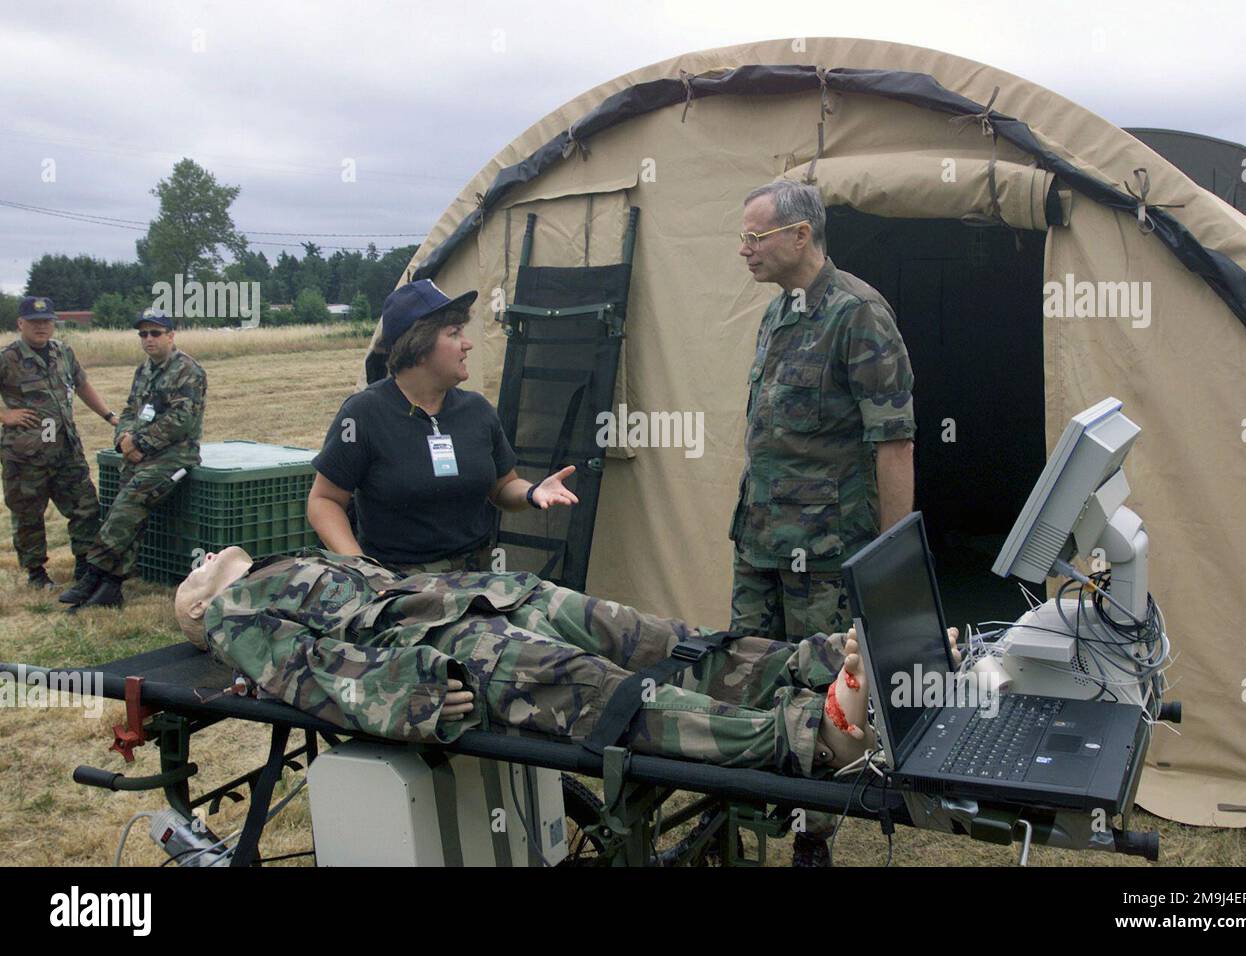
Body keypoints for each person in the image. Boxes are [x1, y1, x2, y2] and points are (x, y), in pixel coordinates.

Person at [170, 546, 964, 777]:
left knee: (665, 641)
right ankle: (816, 736)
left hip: (500, 599)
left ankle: (823, 661)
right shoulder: (237, 615)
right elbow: (304, 671)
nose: (203, 557)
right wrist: (409, 695)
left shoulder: (290, 561)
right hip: (454, 652)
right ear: (199, 608)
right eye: (194, 570)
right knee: (610, 697)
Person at [729, 180, 917, 865]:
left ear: (800, 236)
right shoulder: (778, 313)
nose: (743, 249)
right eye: (743, 236)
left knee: (820, 689)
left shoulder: (858, 315)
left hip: (825, 548)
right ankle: (748, 803)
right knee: (746, 671)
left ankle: (814, 833)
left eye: (756, 236)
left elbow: (894, 442)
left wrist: (892, 558)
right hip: (758, 539)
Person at [309, 280, 577, 575]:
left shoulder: (476, 410)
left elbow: (502, 487)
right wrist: (362, 568)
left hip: (479, 578)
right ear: (419, 347)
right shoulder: (364, 414)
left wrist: (533, 492)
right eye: (454, 333)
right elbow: (324, 501)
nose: (468, 343)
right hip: (403, 585)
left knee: (589, 617)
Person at [60, 310, 207, 611]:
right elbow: (130, 410)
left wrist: (138, 442)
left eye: (155, 333)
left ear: (170, 335)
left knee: (128, 504)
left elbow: (181, 420)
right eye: (143, 334)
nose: (149, 339)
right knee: (130, 514)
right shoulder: (144, 370)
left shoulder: (188, 370)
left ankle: (94, 573)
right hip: (141, 454)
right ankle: (111, 587)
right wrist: (123, 439)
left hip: (175, 455)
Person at [1, 296, 116, 590]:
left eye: (47, 322)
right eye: (35, 322)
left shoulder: (63, 352)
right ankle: (36, 573)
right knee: (29, 515)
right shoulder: (8, 358)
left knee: (86, 508)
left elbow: (81, 385)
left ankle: (84, 565)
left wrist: (107, 415)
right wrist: (5, 414)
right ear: (21, 323)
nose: (42, 327)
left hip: (66, 449)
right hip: (26, 454)